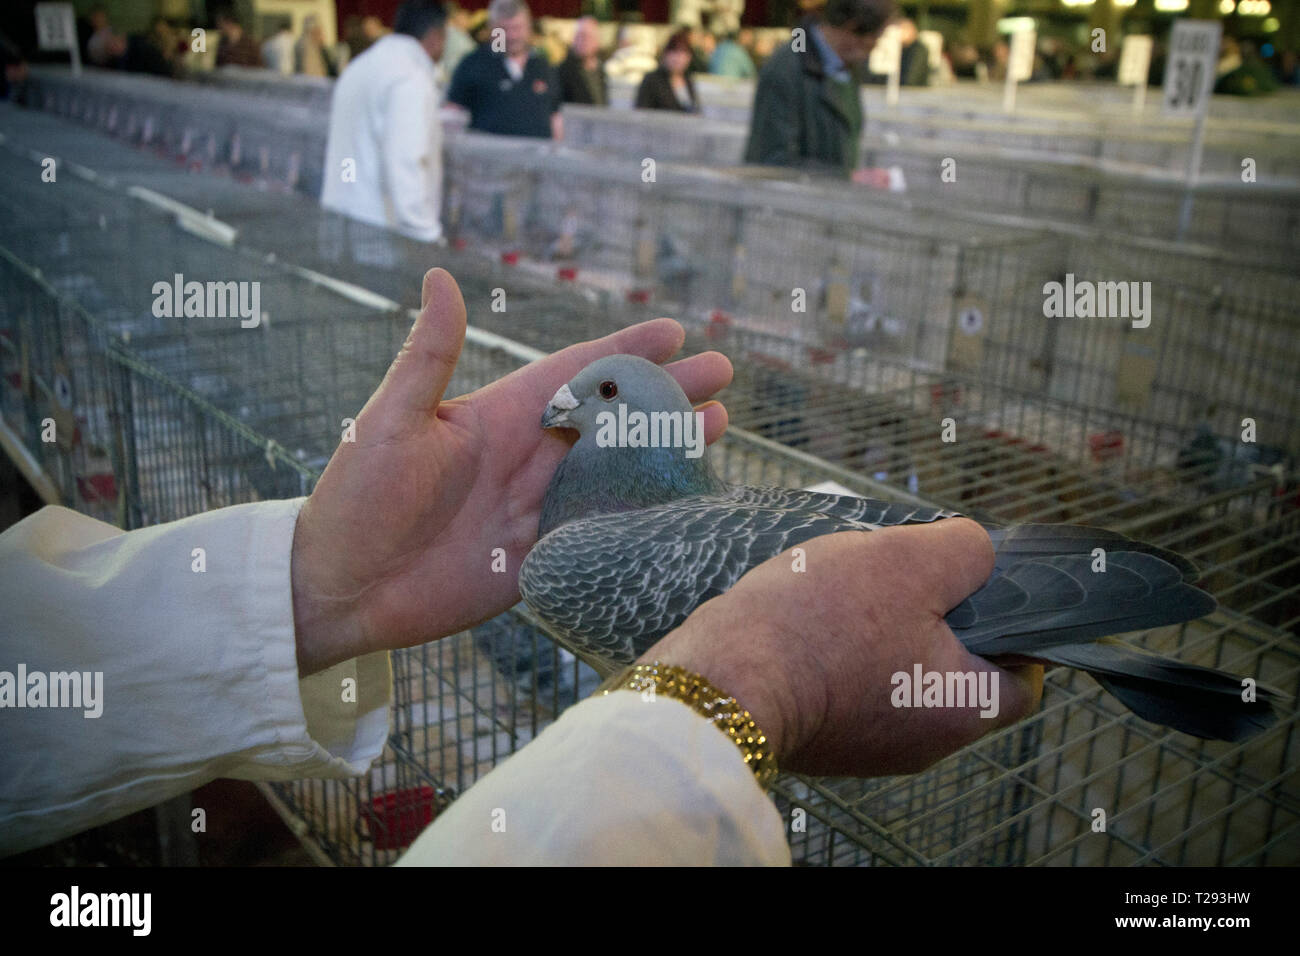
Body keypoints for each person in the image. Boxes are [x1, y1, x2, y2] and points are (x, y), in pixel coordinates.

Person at [0, 269, 1041, 863]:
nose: (565, 414)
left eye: (602, 403)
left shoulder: (580, 554)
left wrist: (316, 582)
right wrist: (761, 683)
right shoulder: (576, 530)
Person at [321, 0, 447, 244]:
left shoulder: (360, 66)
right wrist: (427, 235)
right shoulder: (410, 77)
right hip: (378, 231)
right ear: (436, 35)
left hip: (338, 221)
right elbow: (405, 160)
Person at [744, 0, 893, 179]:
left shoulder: (844, 66)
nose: (874, 47)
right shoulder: (786, 69)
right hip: (792, 202)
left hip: (828, 201)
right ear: (852, 28)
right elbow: (770, 160)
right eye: (875, 39)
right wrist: (849, 178)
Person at [446, 0, 562, 140]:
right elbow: (452, 115)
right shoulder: (473, 63)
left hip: (539, 159)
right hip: (487, 158)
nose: (512, 36)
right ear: (492, 29)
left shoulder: (542, 66)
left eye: (517, 28)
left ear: (529, 27)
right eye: (504, 29)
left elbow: (555, 116)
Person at [635, 29, 699, 112]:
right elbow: (641, 111)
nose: (678, 58)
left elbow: (694, 109)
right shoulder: (652, 80)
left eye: (683, 52)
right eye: (674, 51)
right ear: (665, 54)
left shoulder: (688, 79)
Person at [557, 15, 607, 105]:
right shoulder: (563, 72)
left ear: (597, 41)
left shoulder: (600, 70)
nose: (583, 41)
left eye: (588, 36)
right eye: (579, 36)